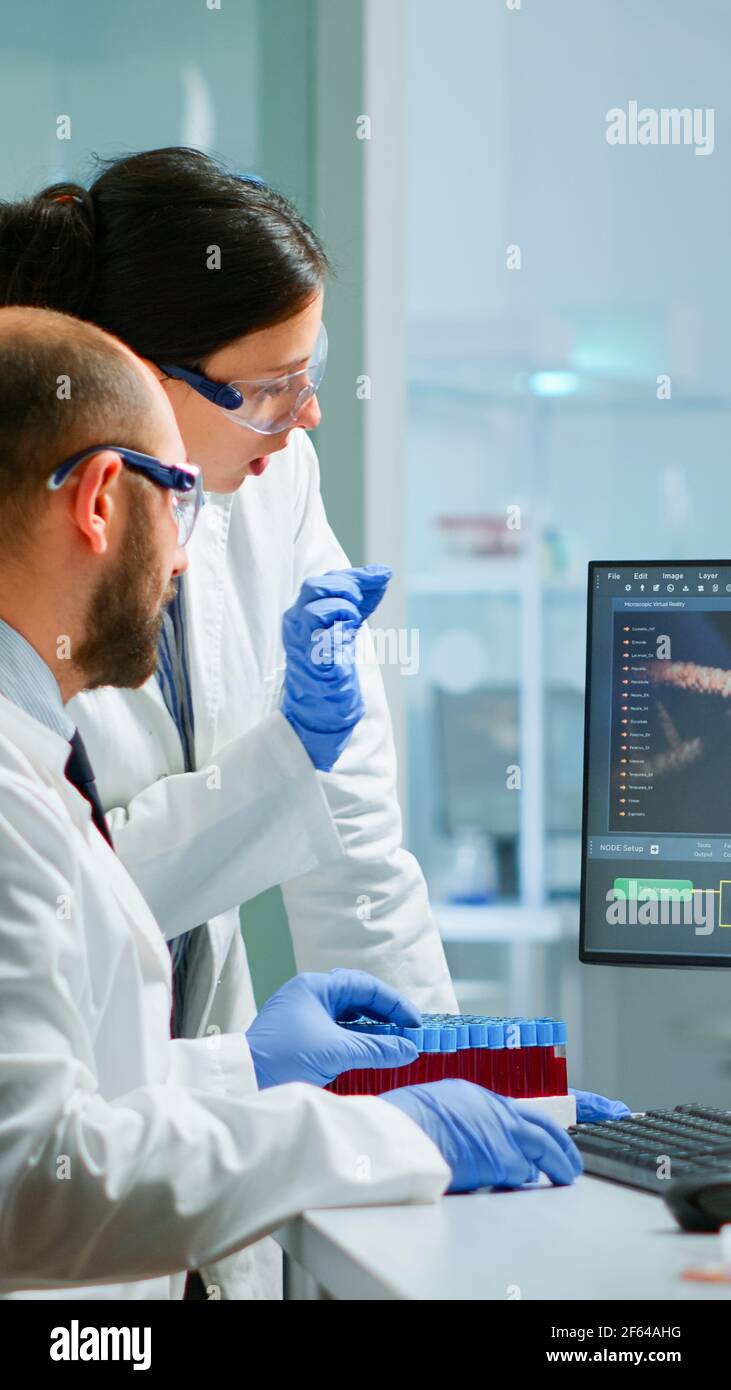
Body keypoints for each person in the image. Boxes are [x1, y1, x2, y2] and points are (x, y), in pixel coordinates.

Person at [0, 151, 625, 1298]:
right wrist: (393, 1135)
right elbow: (61, 889)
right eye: (270, 385)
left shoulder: (276, 481)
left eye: (314, 373)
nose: (304, 418)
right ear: (130, 382)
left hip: (189, 1123)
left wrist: (439, 1083)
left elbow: (357, 845)